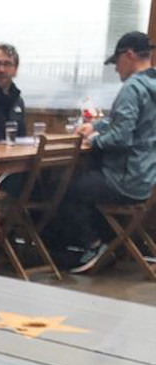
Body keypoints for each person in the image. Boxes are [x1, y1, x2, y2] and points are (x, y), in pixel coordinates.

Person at [66, 30, 156, 273]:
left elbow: (121, 137)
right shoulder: (152, 85)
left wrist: (93, 140)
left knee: (69, 190)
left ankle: (94, 247)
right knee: (87, 182)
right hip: (146, 180)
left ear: (128, 55)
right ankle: (108, 247)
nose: (116, 69)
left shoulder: (132, 88)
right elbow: (128, 124)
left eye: (116, 62)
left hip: (125, 180)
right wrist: (95, 125)